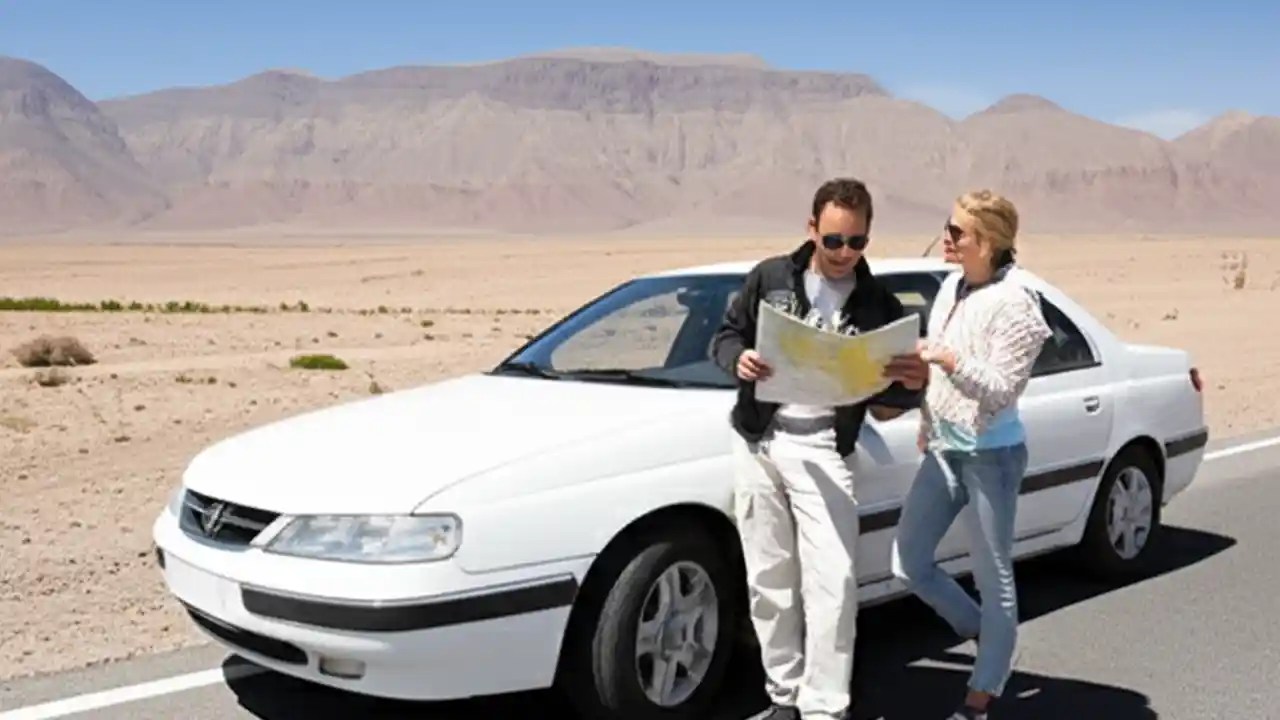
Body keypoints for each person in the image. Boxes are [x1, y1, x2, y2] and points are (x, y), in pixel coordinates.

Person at [711, 177, 929, 720]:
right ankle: (783, 697)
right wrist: (737, 360)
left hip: (827, 450)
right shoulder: (770, 278)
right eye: (834, 240)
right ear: (811, 230)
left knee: (832, 583)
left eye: (856, 242)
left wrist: (913, 380)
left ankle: (824, 710)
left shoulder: (879, 303)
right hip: (760, 441)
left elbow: (888, 400)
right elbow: (724, 336)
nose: (844, 253)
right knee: (769, 579)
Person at [890, 189, 1053, 720]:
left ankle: (980, 697)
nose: (947, 236)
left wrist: (952, 359)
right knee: (908, 561)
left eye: (957, 232)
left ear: (986, 241)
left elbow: (1004, 388)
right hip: (943, 449)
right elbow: (935, 369)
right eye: (948, 226)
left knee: (993, 575)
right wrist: (926, 419)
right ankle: (988, 637)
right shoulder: (949, 289)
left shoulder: (1017, 305)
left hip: (992, 457)